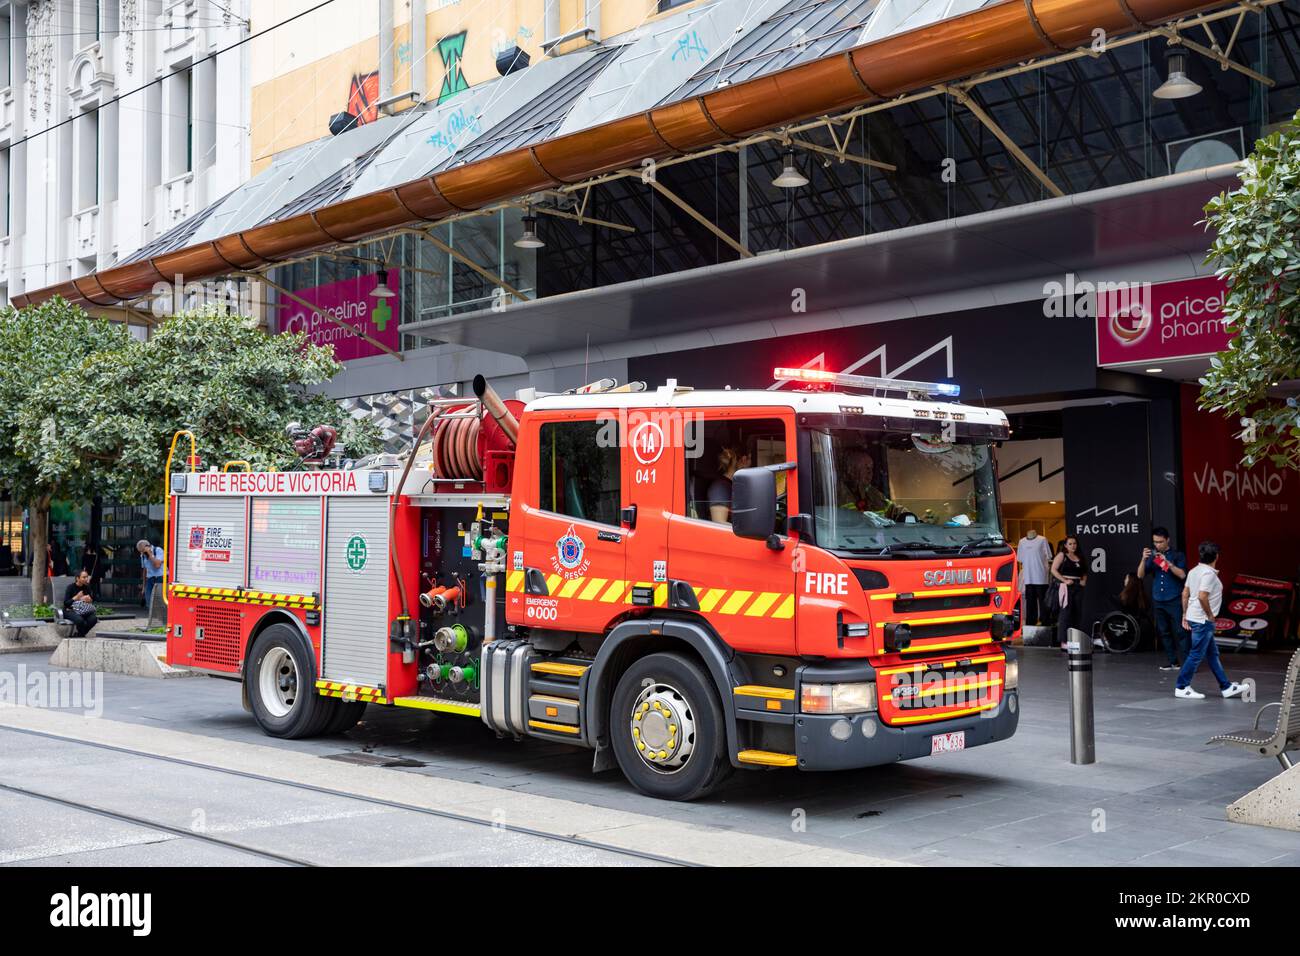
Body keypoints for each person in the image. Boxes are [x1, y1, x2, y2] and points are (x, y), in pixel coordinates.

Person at [1174, 541, 1246, 699]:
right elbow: (1202, 596)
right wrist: (1210, 615)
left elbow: (1185, 593)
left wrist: (1185, 614)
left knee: (1212, 654)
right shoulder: (1208, 574)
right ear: (1217, 556)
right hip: (1202, 620)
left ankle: (1226, 687)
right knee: (1196, 655)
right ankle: (1181, 686)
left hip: (1195, 617)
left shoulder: (1194, 571)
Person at [1137, 526, 1189, 672]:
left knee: (1181, 631)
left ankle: (1188, 664)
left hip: (1174, 598)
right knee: (1164, 631)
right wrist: (1143, 559)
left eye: (1160, 542)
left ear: (1167, 540)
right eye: (1155, 542)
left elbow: (1182, 575)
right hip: (1158, 598)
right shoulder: (1153, 556)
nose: (1157, 545)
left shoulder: (1178, 555)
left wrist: (1168, 562)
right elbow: (1140, 575)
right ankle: (1173, 662)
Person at [1051, 535, 1087, 649]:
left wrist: (1083, 581)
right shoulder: (1062, 555)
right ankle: (1064, 641)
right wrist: (1065, 580)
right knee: (1065, 614)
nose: (1073, 546)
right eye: (1070, 544)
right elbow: (1053, 569)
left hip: (1078, 586)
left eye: (1074, 543)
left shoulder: (1080, 557)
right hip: (1066, 587)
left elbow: (1085, 572)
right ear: (1065, 545)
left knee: (1077, 613)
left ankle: (1075, 639)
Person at [1016, 529, 1053, 626]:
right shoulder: (1022, 542)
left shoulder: (1042, 540)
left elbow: (1048, 556)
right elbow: (1019, 558)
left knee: (1043, 602)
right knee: (1030, 603)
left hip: (1041, 577)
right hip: (1028, 577)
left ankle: (1046, 624)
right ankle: (1030, 624)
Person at [707, 446, 750, 523]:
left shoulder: (731, 485)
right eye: (750, 459)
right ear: (744, 460)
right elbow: (719, 522)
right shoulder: (720, 488)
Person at [62, 569, 98, 637]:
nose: (86, 579)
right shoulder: (70, 587)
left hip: (82, 610)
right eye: (84, 577)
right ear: (77, 578)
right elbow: (66, 603)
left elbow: (91, 600)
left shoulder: (87, 587)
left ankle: (79, 634)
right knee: (80, 621)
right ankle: (81, 635)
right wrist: (76, 597)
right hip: (70, 610)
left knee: (94, 619)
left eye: (87, 577)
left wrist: (89, 600)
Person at [138, 538, 165, 609]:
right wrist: (144, 586)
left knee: (160, 601)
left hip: (160, 578)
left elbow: (157, 565)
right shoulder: (143, 556)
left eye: (143, 551)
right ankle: (154, 617)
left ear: (148, 546)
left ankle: (161, 618)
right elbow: (145, 570)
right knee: (149, 600)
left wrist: (150, 554)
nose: (142, 553)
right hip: (150, 579)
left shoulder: (158, 550)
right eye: (141, 552)